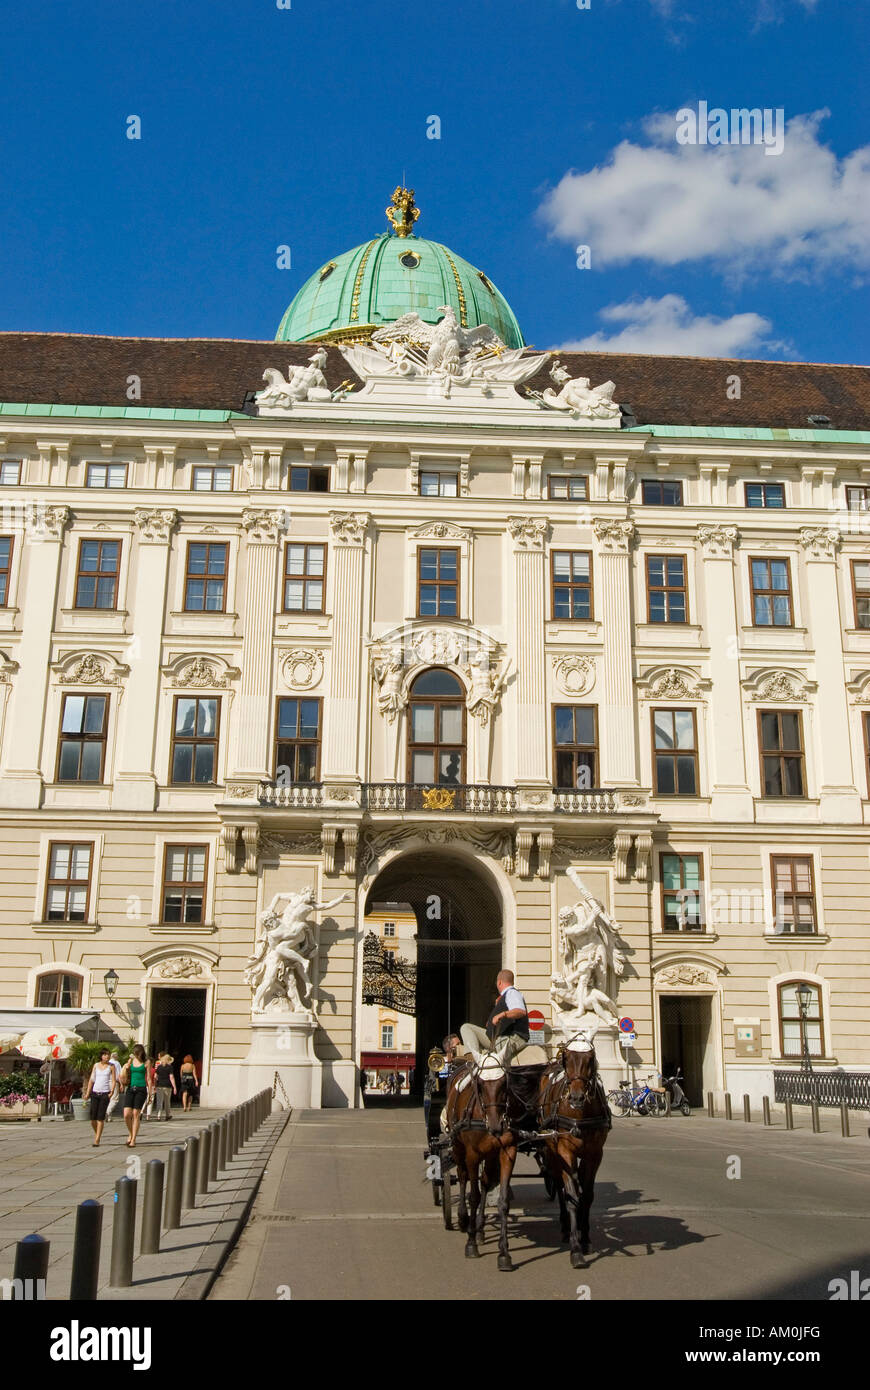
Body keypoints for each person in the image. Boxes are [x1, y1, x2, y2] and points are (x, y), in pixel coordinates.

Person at [460, 969, 530, 1066]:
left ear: (499, 982)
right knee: (466, 1028)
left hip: (510, 1038)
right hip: (496, 1038)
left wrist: (502, 1014)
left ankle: (476, 1061)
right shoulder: (504, 996)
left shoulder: (511, 993)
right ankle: (472, 1058)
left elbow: (520, 1011)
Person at [82, 1048, 118, 1147]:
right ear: (101, 1056)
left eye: (108, 1055)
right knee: (93, 1119)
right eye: (105, 1055)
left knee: (100, 1117)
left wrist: (111, 1091)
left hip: (105, 1093)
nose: (107, 1056)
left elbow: (114, 1080)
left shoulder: (111, 1066)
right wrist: (87, 1093)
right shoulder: (96, 1065)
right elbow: (91, 1080)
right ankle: (98, 1132)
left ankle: (97, 1139)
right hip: (95, 1093)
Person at [120, 1044, 152, 1148]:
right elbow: (124, 1075)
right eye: (135, 1054)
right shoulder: (131, 1061)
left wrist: (150, 1092)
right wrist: (126, 1067)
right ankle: (131, 1133)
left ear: (142, 1053)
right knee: (126, 1114)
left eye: (138, 1054)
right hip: (130, 1088)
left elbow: (149, 1079)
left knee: (135, 1114)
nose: (137, 1056)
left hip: (141, 1089)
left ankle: (133, 1139)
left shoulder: (147, 1062)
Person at [153, 1053, 176, 1120]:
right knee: (167, 1101)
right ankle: (167, 1115)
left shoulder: (159, 1067)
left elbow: (155, 1077)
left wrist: (155, 1085)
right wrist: (174, 1087)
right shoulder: (170, 1067)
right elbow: (171, 1077)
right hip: (167, 1086)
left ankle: (158, 1115)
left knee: (159, 1101)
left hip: (159, 1085)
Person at [104, 1050, 123, 1122]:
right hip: (114, 1082)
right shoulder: (116, 1063)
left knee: (109, 1099)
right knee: (115, 1099)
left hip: (106, 1082)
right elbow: (119, 1075)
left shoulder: (107, 1063)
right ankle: (107, 1112)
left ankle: (109, 1117)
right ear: (117, 1057)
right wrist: (121, 1084)